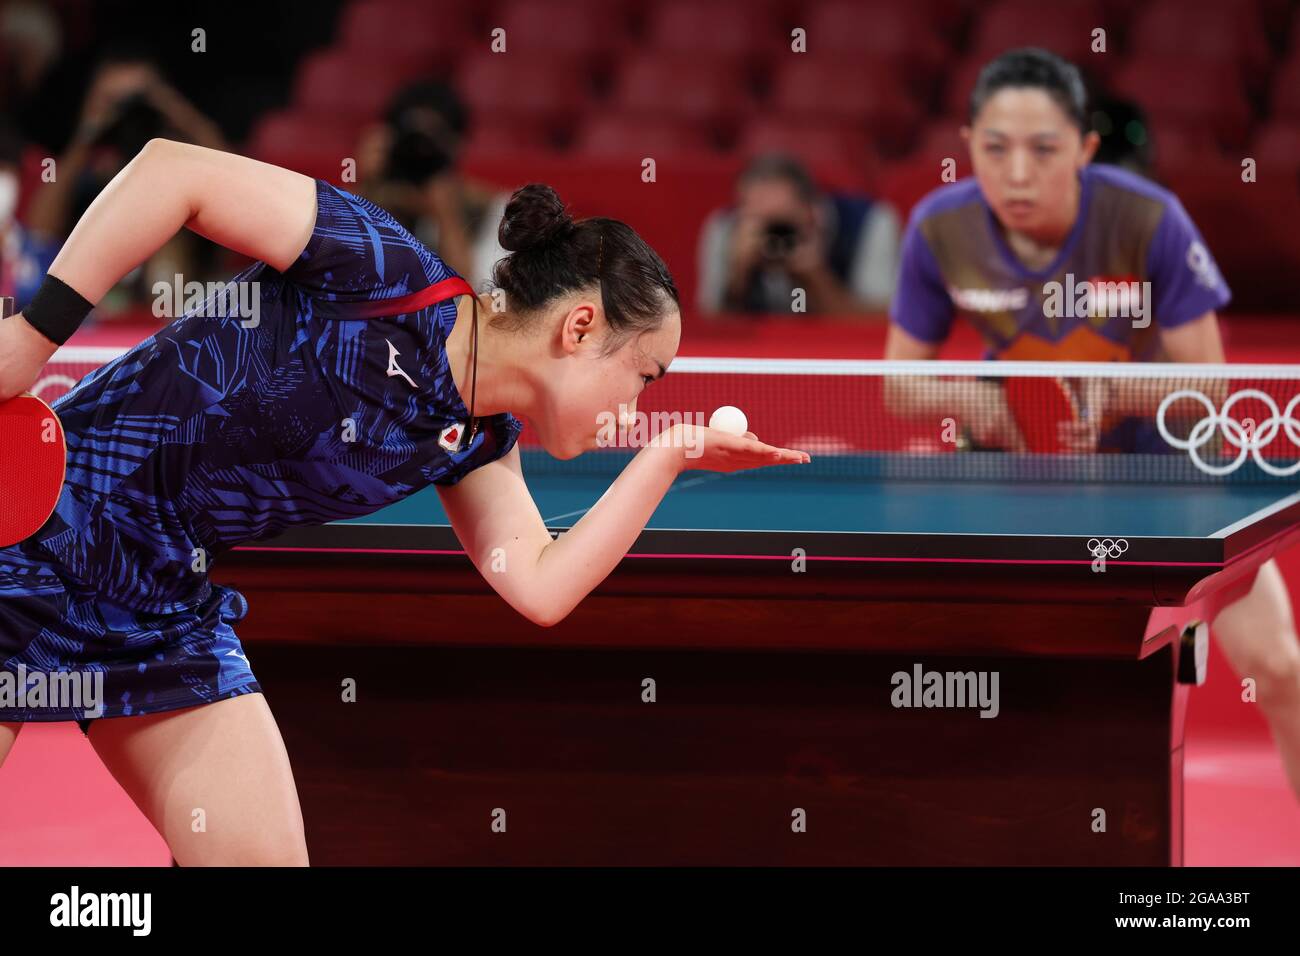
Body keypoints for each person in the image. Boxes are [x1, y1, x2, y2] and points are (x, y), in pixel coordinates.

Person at [0, 139, 809, 865]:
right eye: (644, 376)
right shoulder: (383, 273)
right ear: (580, 326)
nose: (635, 409)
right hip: (28, 535)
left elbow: (540, 586)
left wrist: (668, 458)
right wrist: (33, 337)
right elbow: (172, 173)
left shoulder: (477, 442)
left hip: (161, 609)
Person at [885, 47, 1300, 799]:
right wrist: (973, 400)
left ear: (1083, 149)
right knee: (980, 689)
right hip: (1023, 479)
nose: (1016, 174)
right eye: (995, 148)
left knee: (1280, 668)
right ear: (968, 142)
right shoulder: (939, 230)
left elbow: (1210, 386)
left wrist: (1119, 397)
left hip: (1169, 476)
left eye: (1043, 151)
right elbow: (896, 383)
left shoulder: (1147, 221)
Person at [697, 152, 899, 316]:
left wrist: (816, 278)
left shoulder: (869, 223)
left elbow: (878, 323)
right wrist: (737, 277)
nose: (771, 235)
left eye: (780, 223)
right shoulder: (725, 229)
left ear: (813, 213)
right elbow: (711, 328)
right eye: (759, 223)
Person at [355, 80, 509, 289]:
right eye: (411, 141)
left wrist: (446, 215)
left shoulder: (495, 210)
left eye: (429, 141)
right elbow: (344, 278)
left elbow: (471, 296)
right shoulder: (375, 198)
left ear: (457, 145)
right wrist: (366, 189)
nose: (419, 152)